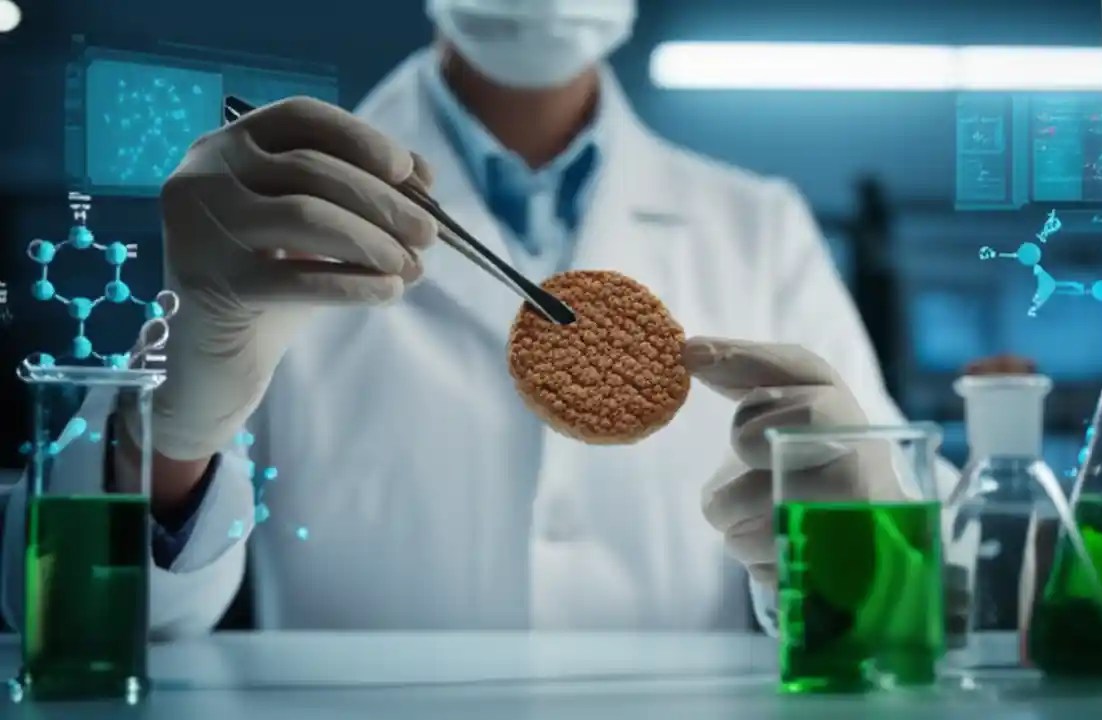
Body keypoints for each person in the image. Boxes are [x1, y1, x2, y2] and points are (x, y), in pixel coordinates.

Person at [2, 0, 962, 636]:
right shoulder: (277, 209)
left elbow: (924, 572)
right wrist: (170, 426)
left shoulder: (757, 226)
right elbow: (67, 622)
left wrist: (860, 537)